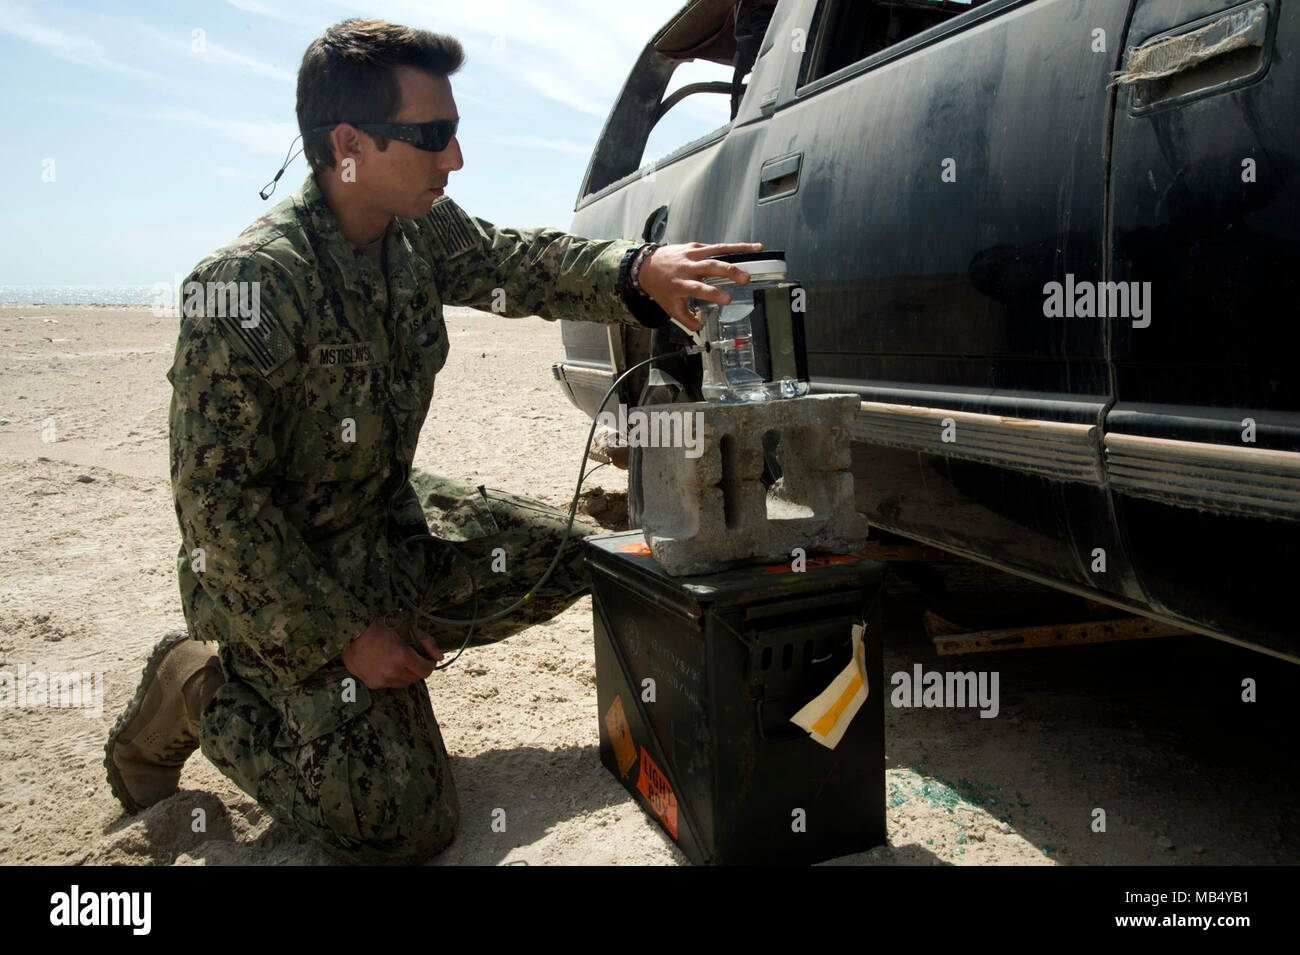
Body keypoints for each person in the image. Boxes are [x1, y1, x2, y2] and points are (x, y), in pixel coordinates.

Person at [103, 17, 760, 865]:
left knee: (583, 558)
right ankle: (200, 686)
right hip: (278, 587)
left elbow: (516, 261)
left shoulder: (416, 234)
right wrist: (346, 634)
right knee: (402, 821)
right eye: (433, 136)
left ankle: (375, 672)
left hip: (386, 528)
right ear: (348, 145)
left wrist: (639, 272)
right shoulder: (251, 286)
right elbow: (217, 514)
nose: (455, 158)